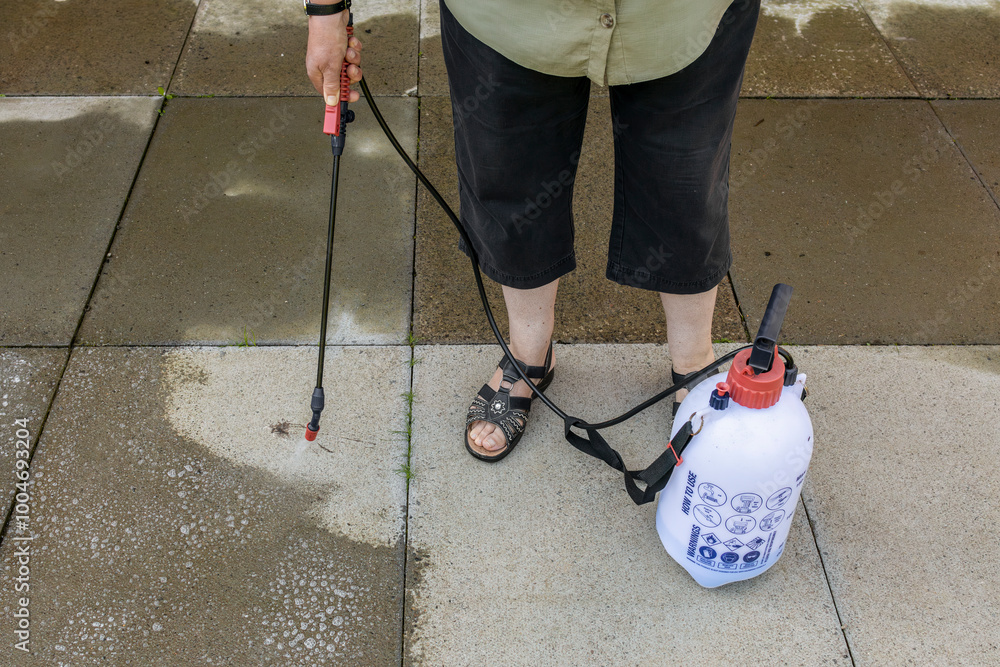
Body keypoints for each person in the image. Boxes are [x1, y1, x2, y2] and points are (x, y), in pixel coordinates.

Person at [306, 0, 761, 462]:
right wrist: (326, 13)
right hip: (506, 16)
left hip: (684, 15)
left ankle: (694, 364)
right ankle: (529, 356)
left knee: (687, 178)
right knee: (510, 170)